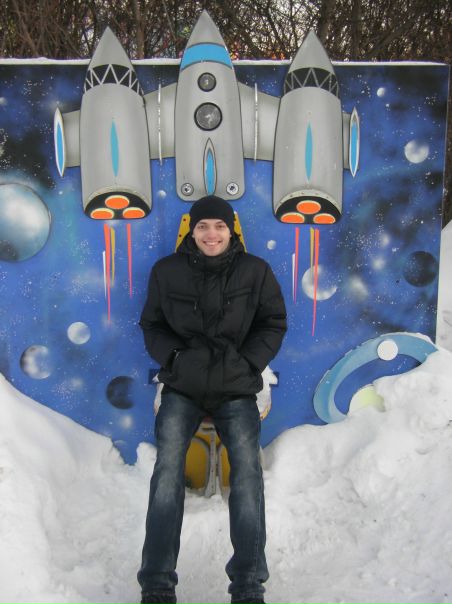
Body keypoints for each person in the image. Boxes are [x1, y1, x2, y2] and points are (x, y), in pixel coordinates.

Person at [138, 195, 287, 604]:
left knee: (248, 473)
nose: (211, 234)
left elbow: (273, 322)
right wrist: (175, 359)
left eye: (219, 226)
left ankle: (248, 585)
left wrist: (248, 363)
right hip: (183, 386)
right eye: (203, 226)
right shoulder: (166, 271)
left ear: (230, 230)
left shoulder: (255, 271)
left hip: (235, 387)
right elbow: (151, 325)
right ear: (192, 231)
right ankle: (156, 584)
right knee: (167, 471)